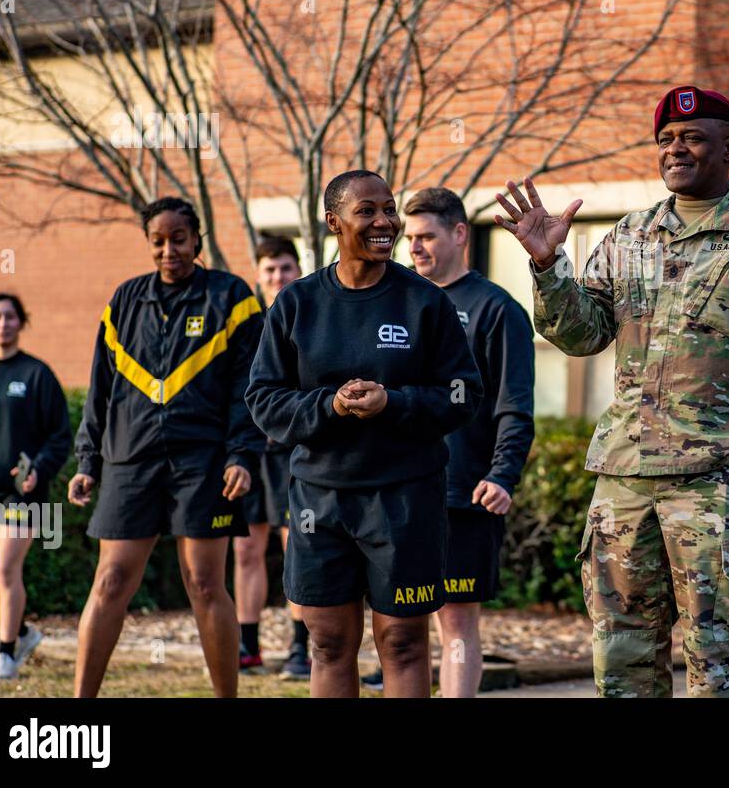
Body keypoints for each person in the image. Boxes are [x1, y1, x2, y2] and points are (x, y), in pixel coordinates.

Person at [493, 86, 729, 697]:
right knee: (621, 651)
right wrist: (549, 267)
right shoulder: (629, 235)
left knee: (718, 649)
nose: (675, 149)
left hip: (717, 475)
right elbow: (581, 334)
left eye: (693, 138)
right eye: (666, 140)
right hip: (625, 474)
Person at [246, 170, 483, 698]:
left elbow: (464, 396)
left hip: (406, 498)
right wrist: (328, 405)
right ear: (333, 222)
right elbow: (262, 401)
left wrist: (392, 402)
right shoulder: (296, 304)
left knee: (402, 643)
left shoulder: (424, 302)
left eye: (389, 209)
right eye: (367, 211)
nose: (385, 223)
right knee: (328, 643)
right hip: (319, 499)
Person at [69, 197, 264, 697]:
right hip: (130, 461)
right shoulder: (124, 301)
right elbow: (100, 389)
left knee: (204, 584)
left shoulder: (232, 297)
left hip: (202, 464)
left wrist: (242, 455)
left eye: (178, 239)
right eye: (157, 241)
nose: (168, 250)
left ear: (197, 239)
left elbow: (250, 386)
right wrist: (87, 460)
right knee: (111, 580)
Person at [359, 187, 534, 696]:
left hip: (465, 492)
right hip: (399, 486)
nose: (414, 248)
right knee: (398, 620)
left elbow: (515, 406)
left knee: (455, 622)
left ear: (460, 234)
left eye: (426, 236)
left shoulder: (496, 310)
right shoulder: (401, 301)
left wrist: (502, 475)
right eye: (409, 238)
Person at [0, 293, 70, 682]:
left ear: (21, 323)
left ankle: (5, 654)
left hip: (26, 491)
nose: (2, 323)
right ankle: (23, 633)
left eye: (10, 317)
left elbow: (60, 435)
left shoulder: (37, 374)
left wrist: (39, 468)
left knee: (6, 567)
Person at [234, 235, 310, 679]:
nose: (278, 276)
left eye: (285, 267)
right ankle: (247, 648)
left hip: (292, 454)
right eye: (269, 270)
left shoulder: (308, 319)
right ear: (259, 276)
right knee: (246, 550)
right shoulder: (249, 326)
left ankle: (300, 649)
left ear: (296, 270)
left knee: (294, 549)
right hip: (249, 455)